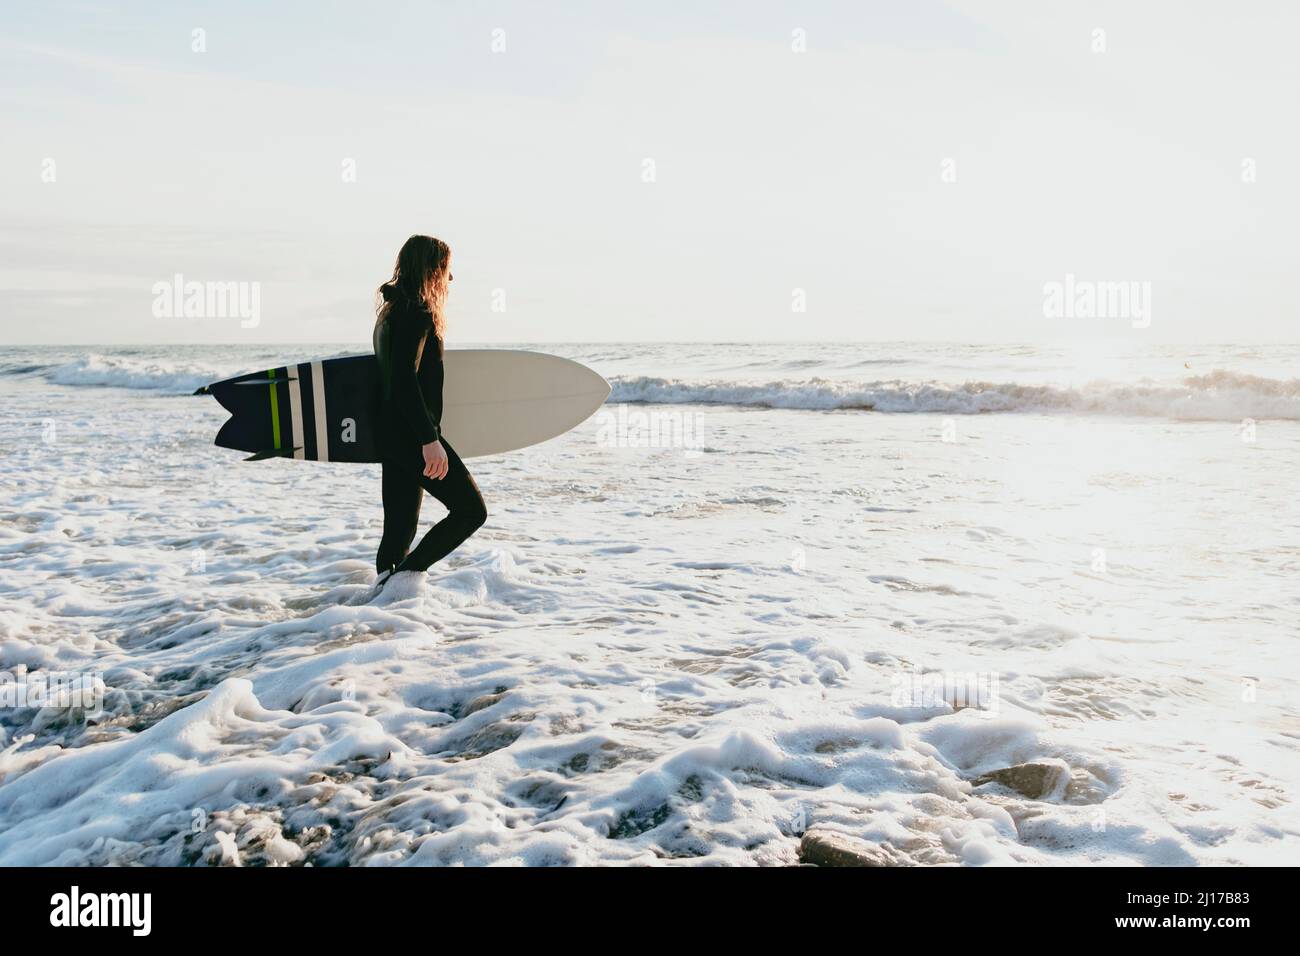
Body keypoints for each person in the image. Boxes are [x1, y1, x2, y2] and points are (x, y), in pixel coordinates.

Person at [372, 235, 486, 586]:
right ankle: (402, 585)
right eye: (447, 271)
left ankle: (383, 608)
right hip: (412, 436)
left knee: (398, 533)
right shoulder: (417, 313)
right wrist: (429, 439)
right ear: (433, 270)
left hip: (391, 435)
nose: (450, 280)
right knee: (471, 511)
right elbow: (405, 380)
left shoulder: (391, 312)